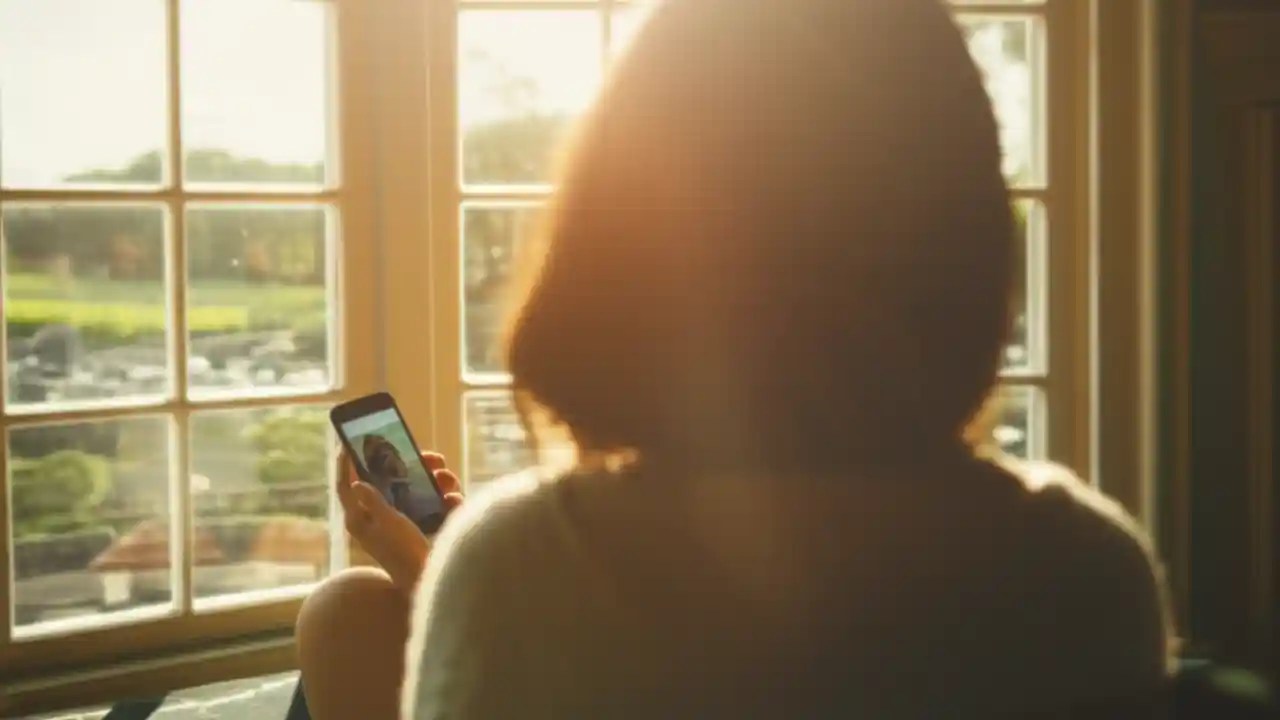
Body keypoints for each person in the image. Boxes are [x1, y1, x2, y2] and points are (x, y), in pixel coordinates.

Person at [296, 0, 1176, 717]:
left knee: (343, 619)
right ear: (970, 243)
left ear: (612, 248)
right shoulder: (1088, 571)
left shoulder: (521, 570)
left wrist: (443, 578)